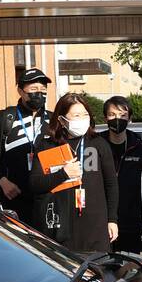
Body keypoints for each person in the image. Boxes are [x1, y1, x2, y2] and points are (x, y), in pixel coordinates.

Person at [28, 93, 118, 253]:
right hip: (59, 227)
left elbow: (111, 185)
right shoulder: (47, 145)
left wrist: (112, 220)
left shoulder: (98, 143)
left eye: (85, 115)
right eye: (76, 115)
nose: (82, 119)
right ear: (62, 120)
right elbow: (35, 184)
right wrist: (63, 174)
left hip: (94, 227)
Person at [0, 68, 55, 222]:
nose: (39, 93)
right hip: (13, 198)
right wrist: (2, 180)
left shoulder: (54, 121)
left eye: (43, 89)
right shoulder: (3, 119)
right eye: (33, 89)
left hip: (48, 199)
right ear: (20, 91)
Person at [100, 95, 142, 254]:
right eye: (112, 115)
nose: (117, 119)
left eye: (122, 115)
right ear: (105, 117)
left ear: (130, 119)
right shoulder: (95, 146)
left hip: (130, 222)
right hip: (99, 221)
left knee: (129, 273)